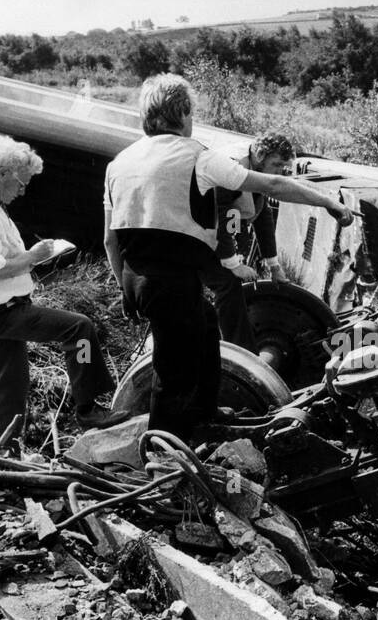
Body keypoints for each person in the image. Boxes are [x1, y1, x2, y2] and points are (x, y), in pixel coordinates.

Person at [103, 73, 353, 439]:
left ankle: (204, 413)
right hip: (171, 278)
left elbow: (110, 240)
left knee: (205, 327)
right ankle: (162, 449)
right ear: (185, 113)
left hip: (137, 275)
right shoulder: (197, 157)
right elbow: (271, 185)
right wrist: (328, 201)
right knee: (173, 369)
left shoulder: (118, 163)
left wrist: (126, 289)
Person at [0, 134, 129, 451]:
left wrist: (29, 257)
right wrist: (34, 256)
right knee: (79, 329)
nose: (23, 191)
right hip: (3, 311)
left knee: (10, 383)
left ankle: (3, 449)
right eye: (21, 183)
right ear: (2, 174)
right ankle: (87, 409)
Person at [205, 133, 295, 352]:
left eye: (283, 166)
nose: (278, 172)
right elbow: (221, 212)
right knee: (227, 285)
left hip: (226, 224)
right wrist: (232, 264)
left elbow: (262, 215)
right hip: (198, 230)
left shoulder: (257, 172)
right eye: (275, 164)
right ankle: (238, 352)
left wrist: (274, 266)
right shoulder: (232, 168)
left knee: (234, 281)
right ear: (259, 155)